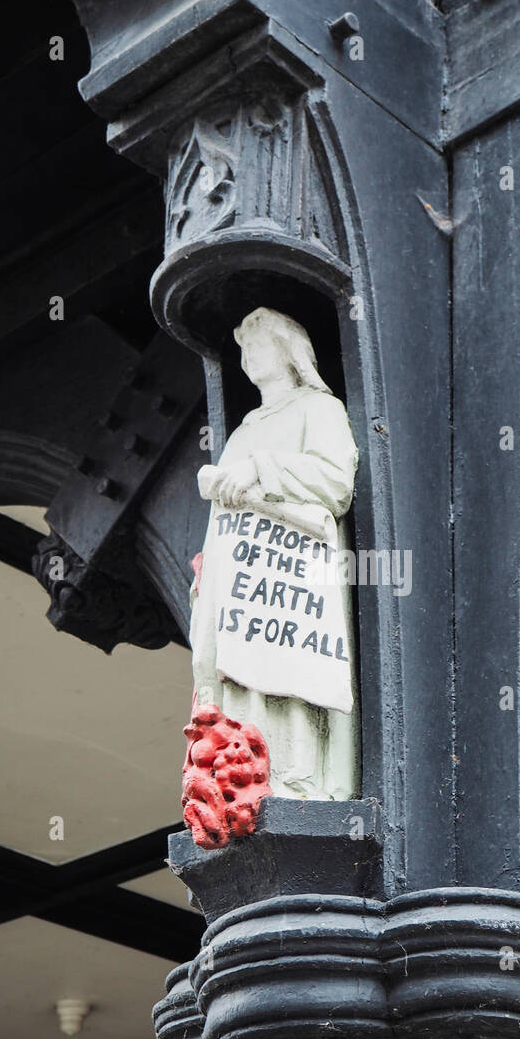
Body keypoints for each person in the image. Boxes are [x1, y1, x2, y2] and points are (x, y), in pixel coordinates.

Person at [189, 306, 359, 800]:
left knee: (286, 677)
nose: (247, 356)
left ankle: (292, 776)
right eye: (242, 348)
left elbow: (335, 480)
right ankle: (237, 771)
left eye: (258, 344)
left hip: (288, 574)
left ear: (288, 351)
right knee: (237, 673)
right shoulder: (244, 428)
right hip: (239, 576)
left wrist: (262, 470)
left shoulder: (318, 409)